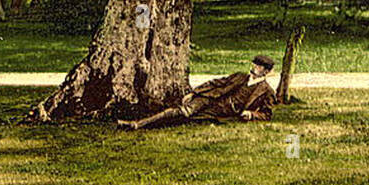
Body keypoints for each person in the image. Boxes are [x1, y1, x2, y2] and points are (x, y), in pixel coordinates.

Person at [117, 55, 277, 130]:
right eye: (254, 64)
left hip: (222, 113)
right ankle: (136, 124)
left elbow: (267, 114)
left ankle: (143, 124)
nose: (255, 67)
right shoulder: (239, 76)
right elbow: (215, 83)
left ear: (266, 71)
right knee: (183, 111)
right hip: (209, 99)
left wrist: (251, 115)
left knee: (184, 119)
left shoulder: (267, 91)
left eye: (259, 66)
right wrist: (194, 93)